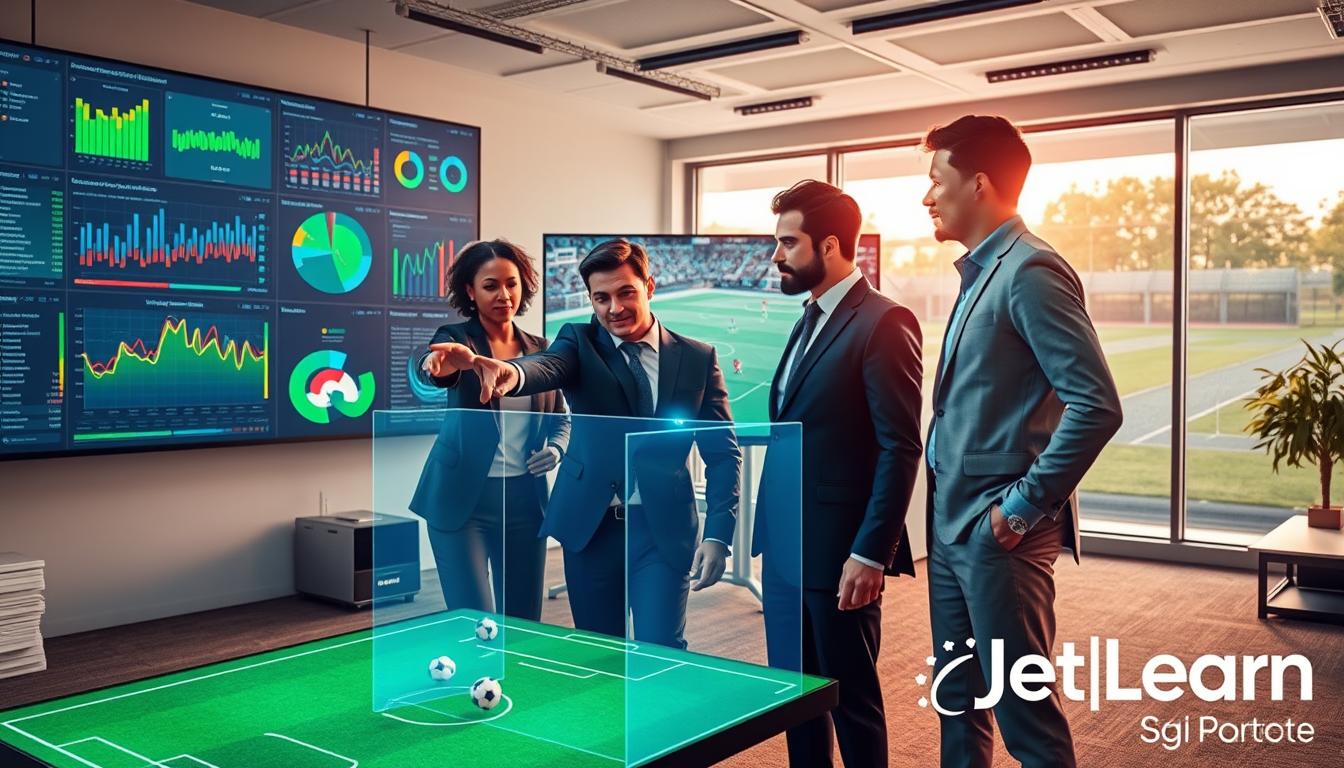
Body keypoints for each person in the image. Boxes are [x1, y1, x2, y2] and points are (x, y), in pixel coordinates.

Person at [920, 115, 1122, 768]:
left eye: (937, 181)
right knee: (958, 705)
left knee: (1025, 719)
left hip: (997, 533)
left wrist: (1020, 509)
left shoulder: (1031, 269)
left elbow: (1096, 404)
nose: (927, 197)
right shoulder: (980, 271)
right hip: (951, 528)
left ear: (979, 184)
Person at [431, 239, 741, 650]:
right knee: (598, 656)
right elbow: (546, 366)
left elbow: (722, 454)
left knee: (661, 651)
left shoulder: (698, 358)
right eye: (601, 298)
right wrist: (511, 373)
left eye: (626, 292)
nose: (615, 308)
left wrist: (719, 534)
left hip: (661, 531)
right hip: (590, 530)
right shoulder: (578, 342)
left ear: (649, 286)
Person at [756, 180, 924, 768]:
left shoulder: (885, 321)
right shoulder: (809, 316)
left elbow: (900, 447)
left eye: (788, 243)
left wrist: (871, 553)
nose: (775, 255)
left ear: (829, 245)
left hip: (839, 553)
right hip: (785, 548)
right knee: (796, 700)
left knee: (851, 701)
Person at [411, 239, 570, 622]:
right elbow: (432, 366)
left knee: (523, 623)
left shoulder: (541, 349)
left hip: (525, 502)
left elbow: (561, 418)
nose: (504, 295)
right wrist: (438, 366)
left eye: (511, 284)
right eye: (490, 286)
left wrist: (556, 449)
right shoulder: (456, 339)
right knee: (476, 622)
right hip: (462, 501)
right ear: (470, 291)